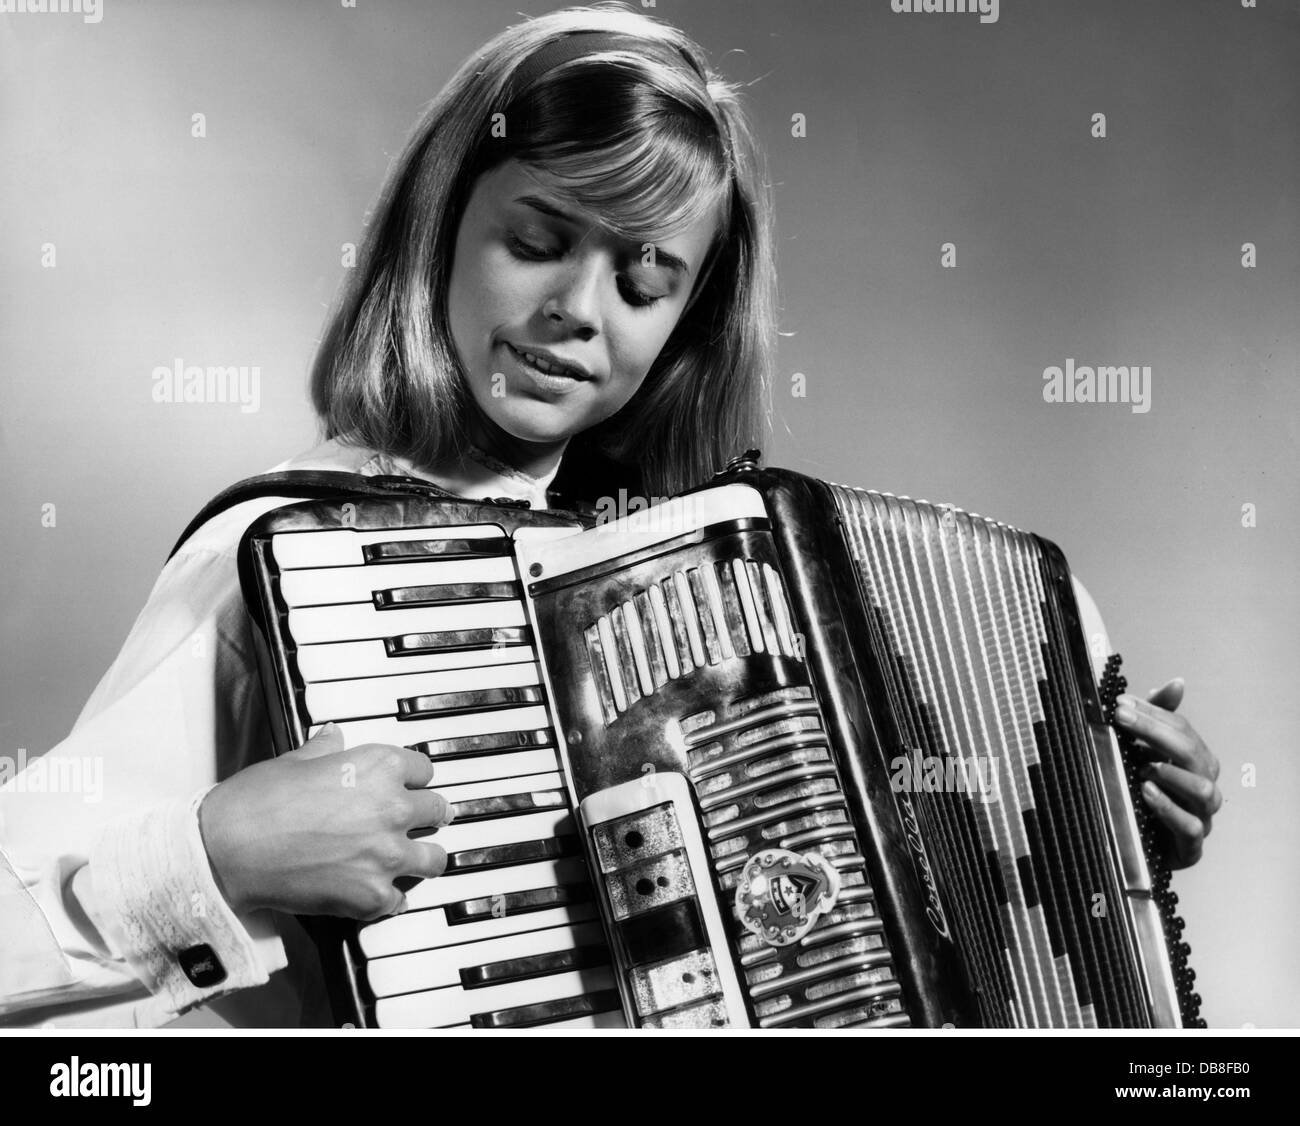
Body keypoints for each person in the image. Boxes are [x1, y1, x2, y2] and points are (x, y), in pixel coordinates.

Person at [0, 2, 1221, 1030]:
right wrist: (212, 861)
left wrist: (1091, 840)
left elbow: (865, 935)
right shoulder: (275, 563)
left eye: (646, 278)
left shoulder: (699, 579)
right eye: (537, 240)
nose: (579, 309)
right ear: (440, 226)